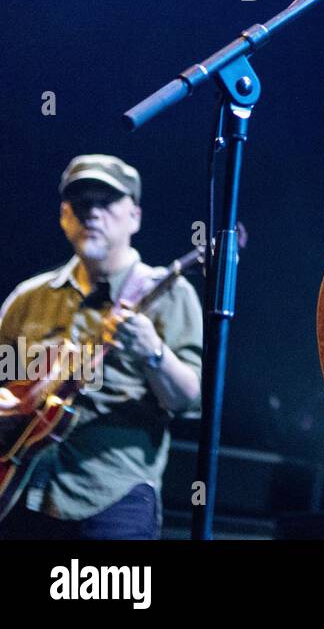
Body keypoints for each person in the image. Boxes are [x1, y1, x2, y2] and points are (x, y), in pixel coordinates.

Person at [0, 155, 202, 539]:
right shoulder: (28, 299)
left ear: (135, 216)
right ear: (63, 215)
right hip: (20, 492)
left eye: (106, 201)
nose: (92, 212)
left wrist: (153, 353)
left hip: (112, 497)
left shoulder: (170, 294)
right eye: (80, 202)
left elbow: (189, 401)